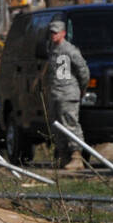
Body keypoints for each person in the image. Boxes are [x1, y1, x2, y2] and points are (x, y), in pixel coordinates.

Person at [43, 20, 89, 170]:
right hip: (55, 93)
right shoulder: (51, 49)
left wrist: (82, 88)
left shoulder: (70, 50)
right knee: (56, 125)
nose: (53, 35)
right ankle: (62, 155)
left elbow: (83, 70)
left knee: (70, 124)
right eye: (51, 32)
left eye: (56, 32)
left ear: (63, 33)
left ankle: (77, 156)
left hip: (68, 93)